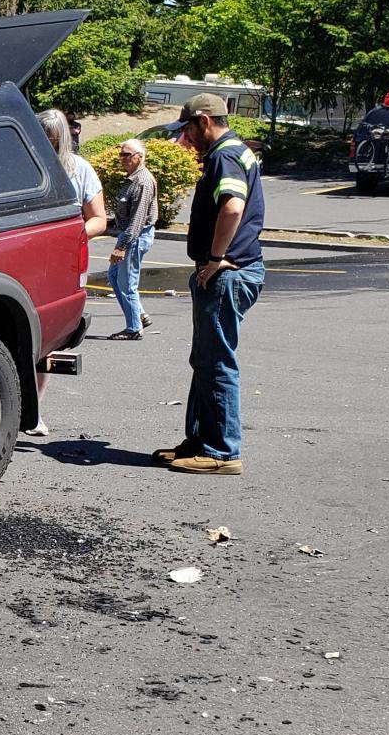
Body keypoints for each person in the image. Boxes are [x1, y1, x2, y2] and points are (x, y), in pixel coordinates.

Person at [154, 93, 265, 475]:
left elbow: (233, 206)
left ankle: (221, 452)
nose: (185, 137)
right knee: (205, 358)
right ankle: (199, 442)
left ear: (203, 120)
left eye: (187, 128)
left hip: (227, 274)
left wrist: (215, 259)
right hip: (235, 270)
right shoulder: (238, 151)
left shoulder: (224, 155)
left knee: (216, 360)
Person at [30, 109, 107, 437]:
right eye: (42, 136)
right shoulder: (24, 166)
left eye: (53, 138)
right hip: (27, 259)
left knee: (50, 336)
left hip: (64, 263)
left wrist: (72, 236)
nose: (47, 143)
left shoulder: (80, 170)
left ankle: (35, 410)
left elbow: (99, 219)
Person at [106, 139, 159, 340]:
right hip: (129, 234)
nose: (122, 158)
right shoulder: (133, 179)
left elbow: (137, 219)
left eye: (126, 155)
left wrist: (122, 246)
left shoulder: (143, 182)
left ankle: (134, 328)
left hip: (135, 237)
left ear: (139, 157)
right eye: (121, 154)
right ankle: (139, 315)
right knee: (113, 276)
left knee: (127, 284)